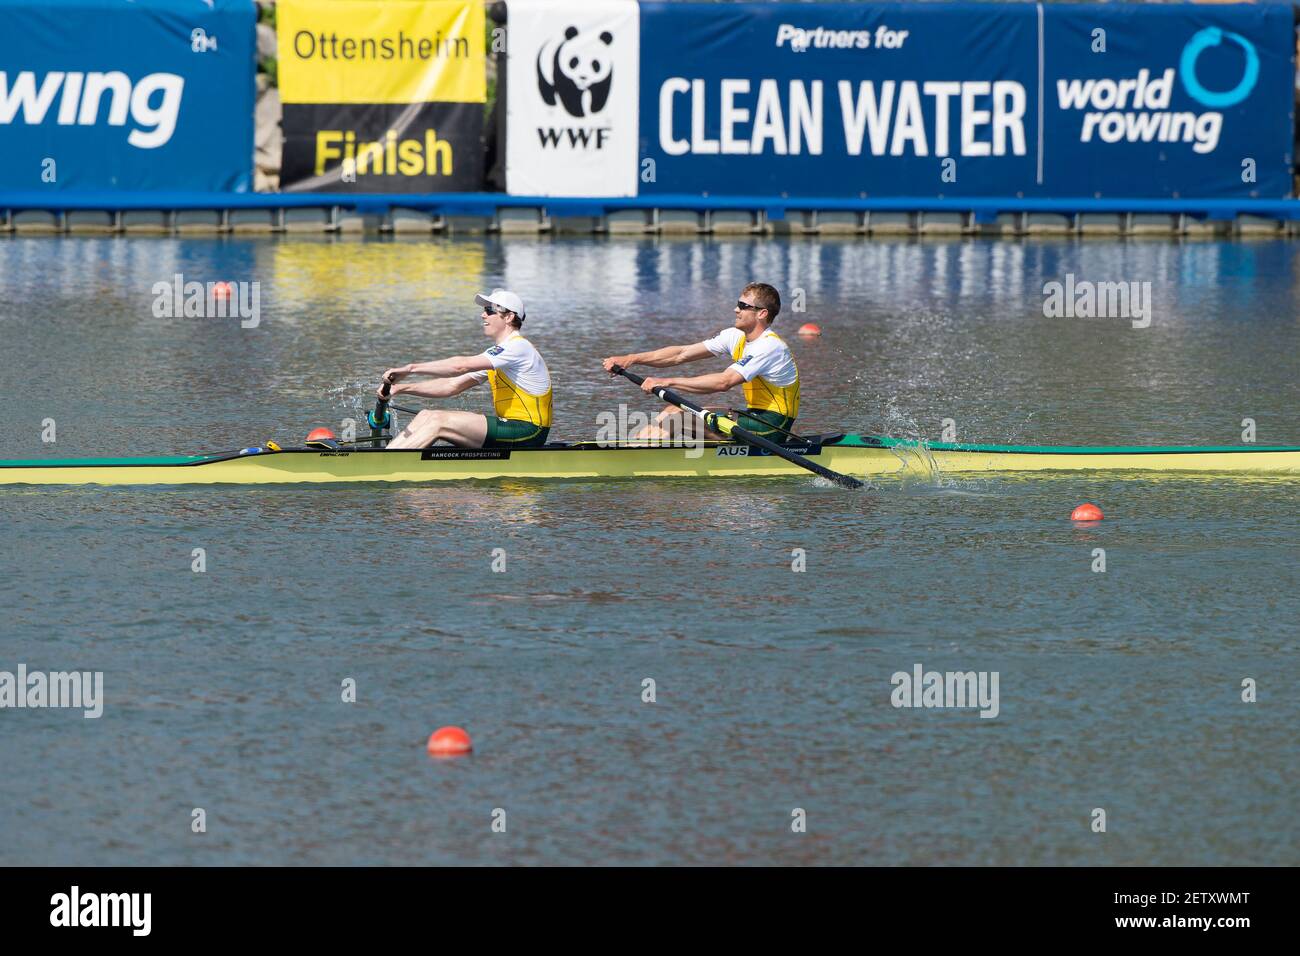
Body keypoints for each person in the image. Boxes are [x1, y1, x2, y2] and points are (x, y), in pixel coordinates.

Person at [601, 282, 798, 441]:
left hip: (773, 426)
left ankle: (632, 459)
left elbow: (724, 382)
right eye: (738, 304)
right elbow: (680, 354)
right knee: (673, 411)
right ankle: (634, 449)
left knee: (675, 418)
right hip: (752, 416)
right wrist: (631, 359)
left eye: (743, 306)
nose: (735, 309)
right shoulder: (734, 336)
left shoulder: (770, 347)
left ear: (762, 313)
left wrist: (668, 382)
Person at [380, 290, 552, 449]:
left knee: (439, 421)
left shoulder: (518, 347)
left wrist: (410, 369)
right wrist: (400, 389)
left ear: (509, 317)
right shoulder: (498, 356)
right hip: (511, 426)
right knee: (426, 415)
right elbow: (451, 385)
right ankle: (385, 456)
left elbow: (459, 366)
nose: (483, 314)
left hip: (530, 431)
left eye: (490, 310)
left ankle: (387, 466)